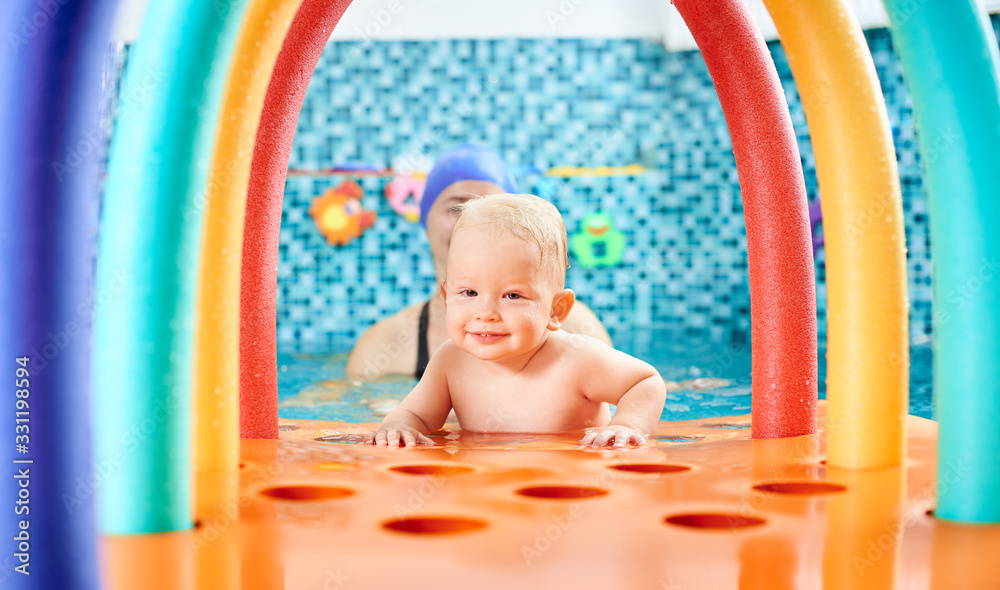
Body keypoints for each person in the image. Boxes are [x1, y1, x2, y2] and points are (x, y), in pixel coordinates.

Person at [365, 194, 667, 448]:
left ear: (556, 310)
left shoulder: (578, 361)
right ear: (447, 296)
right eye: (469, 292)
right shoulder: (450, 362)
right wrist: (398, 427)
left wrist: (627, 425)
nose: (485, 313)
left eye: (512, 296)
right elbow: (414, 415)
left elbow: (644, 382)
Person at [346, 143, 612, 381]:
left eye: (491, 206)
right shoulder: (382, 347)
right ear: (426, 220)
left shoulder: (575, 329)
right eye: (456, 208)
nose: (473, 222)